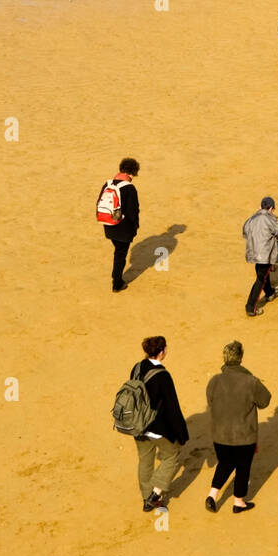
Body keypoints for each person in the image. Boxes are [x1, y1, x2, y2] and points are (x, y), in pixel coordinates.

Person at [205, 340, 271, 514]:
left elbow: (210, 401)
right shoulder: (251, 381)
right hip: (244, 436)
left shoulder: (214, 381)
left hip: (220, 435)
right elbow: (265, 401)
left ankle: (212, 494)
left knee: (225, 463)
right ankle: (238, 502)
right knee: (243, 468)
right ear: (240, 358)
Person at [129, 335, 188, 513]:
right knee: (172, 455)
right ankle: (155, 494)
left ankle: (147, 498)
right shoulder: (163, 376)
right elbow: (172, 407)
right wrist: (181, 433)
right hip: (156, 427)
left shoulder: (137, 367)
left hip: (137, 424)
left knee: (145, 460)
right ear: (162, 352)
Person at [99, 158, 140, 293]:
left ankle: (115, 274)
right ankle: (117, 283)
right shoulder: (130, 188)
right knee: (120, 254)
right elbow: (133, 212)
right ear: (133, 172)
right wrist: (134, 228)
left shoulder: (107, 184)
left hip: (108, 224)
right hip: (123, 228)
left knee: (118, 251)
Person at [243, 196, 278, 317]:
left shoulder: (251, 219)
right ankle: (250, 307)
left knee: (262, 273)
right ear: (271, 208)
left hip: (254, 252)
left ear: (260, 207)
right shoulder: (270, 220)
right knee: (260, 278)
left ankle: (270, 293)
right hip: (266, 255)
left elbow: (245, 231)